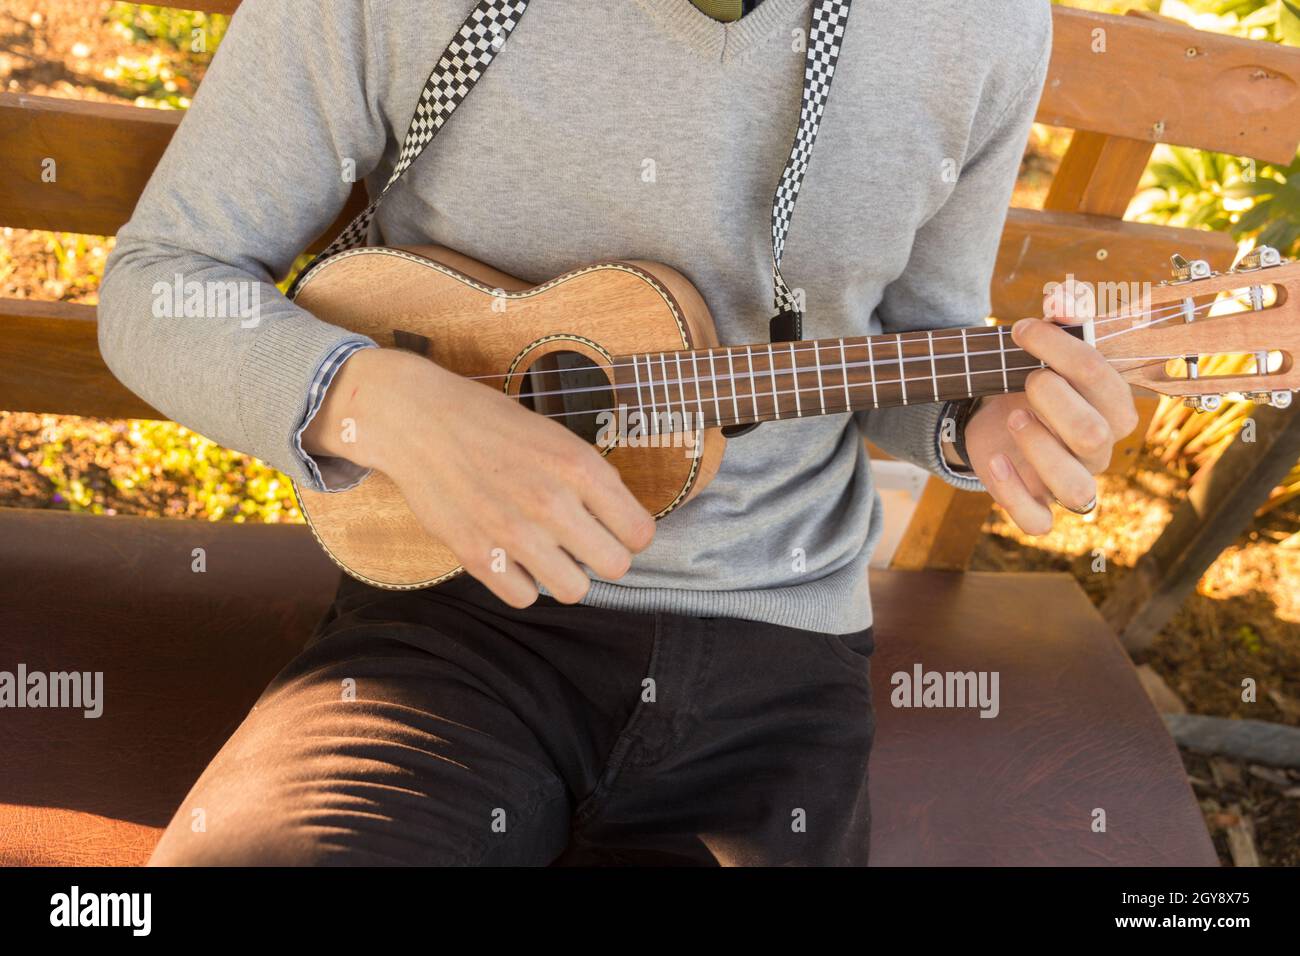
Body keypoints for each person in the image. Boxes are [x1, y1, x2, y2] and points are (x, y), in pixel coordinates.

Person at [98, 0, 1136, 865]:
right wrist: (380, 403)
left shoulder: (978, 23)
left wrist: (974, 420)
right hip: (457, 616)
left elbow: (909, 338)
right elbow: (160, 282)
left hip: (777, 655)